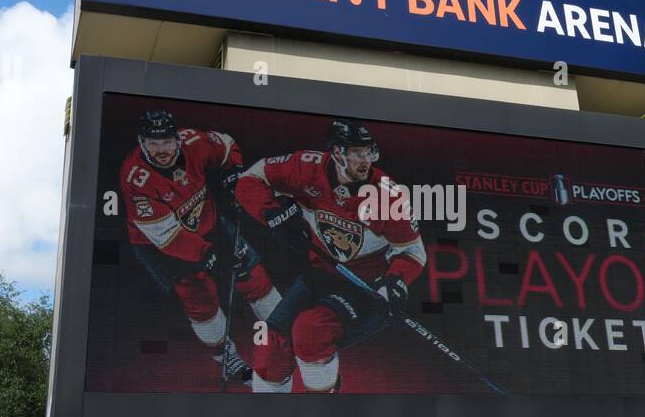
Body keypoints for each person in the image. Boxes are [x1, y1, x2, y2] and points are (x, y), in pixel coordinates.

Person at [234, 118, 425, 392]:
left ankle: (323, 410)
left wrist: (395, 282)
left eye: (368, 152)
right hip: (320, 274)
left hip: (368, 289)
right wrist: (271, 212)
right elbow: (252, 178)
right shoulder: (306, 168)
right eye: (357, 153)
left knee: (311, 331)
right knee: (271, 346)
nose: (365, 160)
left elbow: (412, 251)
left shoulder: (388, 195)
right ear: (337, 152)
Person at [120, 109, 280, 384]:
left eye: (166, 142)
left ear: (178, 139)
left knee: (253, 275)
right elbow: (167, 235)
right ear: (142, 143)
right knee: (200, 297)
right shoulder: (135, 177)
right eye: (153, 143)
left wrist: (234, 172)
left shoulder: (195, 142)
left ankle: (283, 337)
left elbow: (226, 145)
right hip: (159, 244)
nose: (161, 150)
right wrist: (209, 255)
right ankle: (227, 357)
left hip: (207, 221)